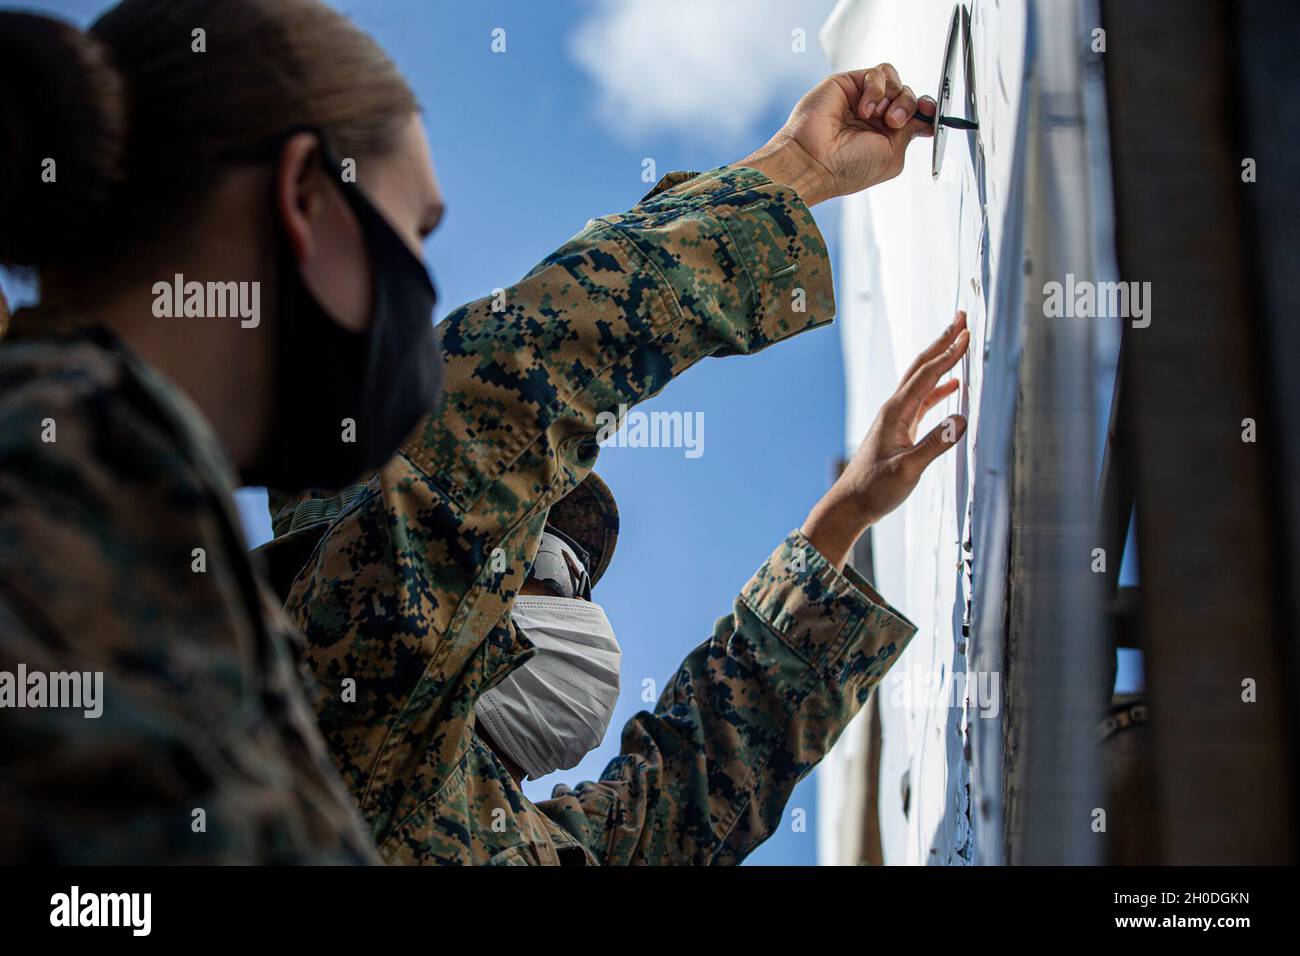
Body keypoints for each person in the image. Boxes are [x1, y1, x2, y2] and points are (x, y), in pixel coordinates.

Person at [259, 65, 969, 863]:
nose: (580, 610)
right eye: (542, 573)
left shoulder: (499, 836)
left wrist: (841, 519)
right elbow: (494, 412)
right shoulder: (334, 707)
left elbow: (690, 792)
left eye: (567, 580)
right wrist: (793, 170)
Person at [0, 0, 448, 862]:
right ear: (305, 197)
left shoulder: (118, 493)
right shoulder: (62, 494)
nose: (422, 283)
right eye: (417, 227)